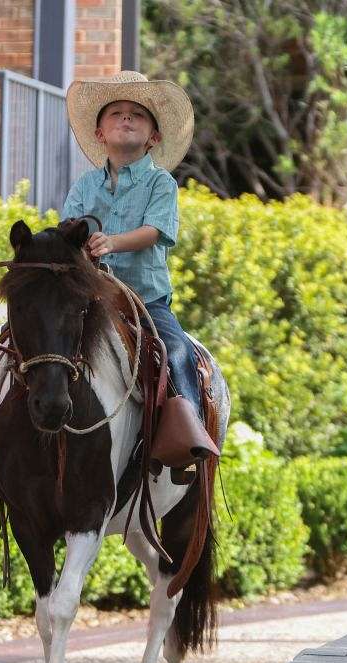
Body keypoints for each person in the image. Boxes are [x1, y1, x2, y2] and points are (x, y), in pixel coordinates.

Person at [62, 70, 214, 469]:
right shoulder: (83, 186)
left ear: (154, 137)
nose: (125, 119)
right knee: (23, 337)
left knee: (177, 351)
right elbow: (68, 231)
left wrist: (111, 241)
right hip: (88, 298)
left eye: (136, 115)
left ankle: (185, 441)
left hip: (143, 302)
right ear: (99, 133)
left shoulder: (160, 184)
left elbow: (156, 230)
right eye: (115, 113)